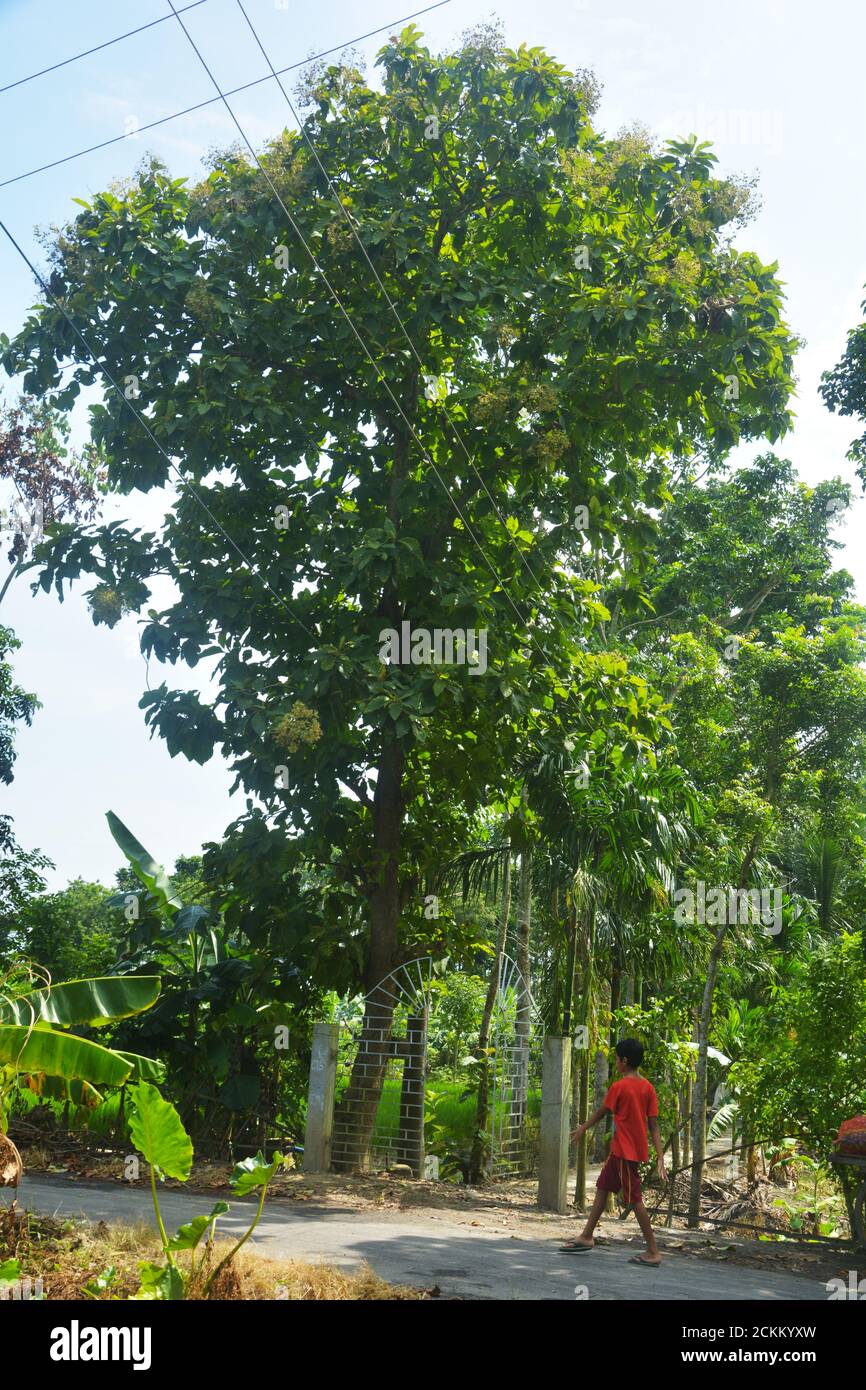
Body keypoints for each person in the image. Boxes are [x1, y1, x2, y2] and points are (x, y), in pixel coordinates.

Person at [561, 1036, 667, 1266]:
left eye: (617, 1059)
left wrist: (583, 1128)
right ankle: (587, 1236)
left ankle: (653, 1251)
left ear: (625, 1061)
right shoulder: (648, 1087)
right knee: (603, 1187)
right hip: (629, 1151)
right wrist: (659, 1155)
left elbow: (603, 1112)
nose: (615, 1063)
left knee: (634, 1199)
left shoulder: (619, 1087)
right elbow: (654, 1125)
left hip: (624, 1152)